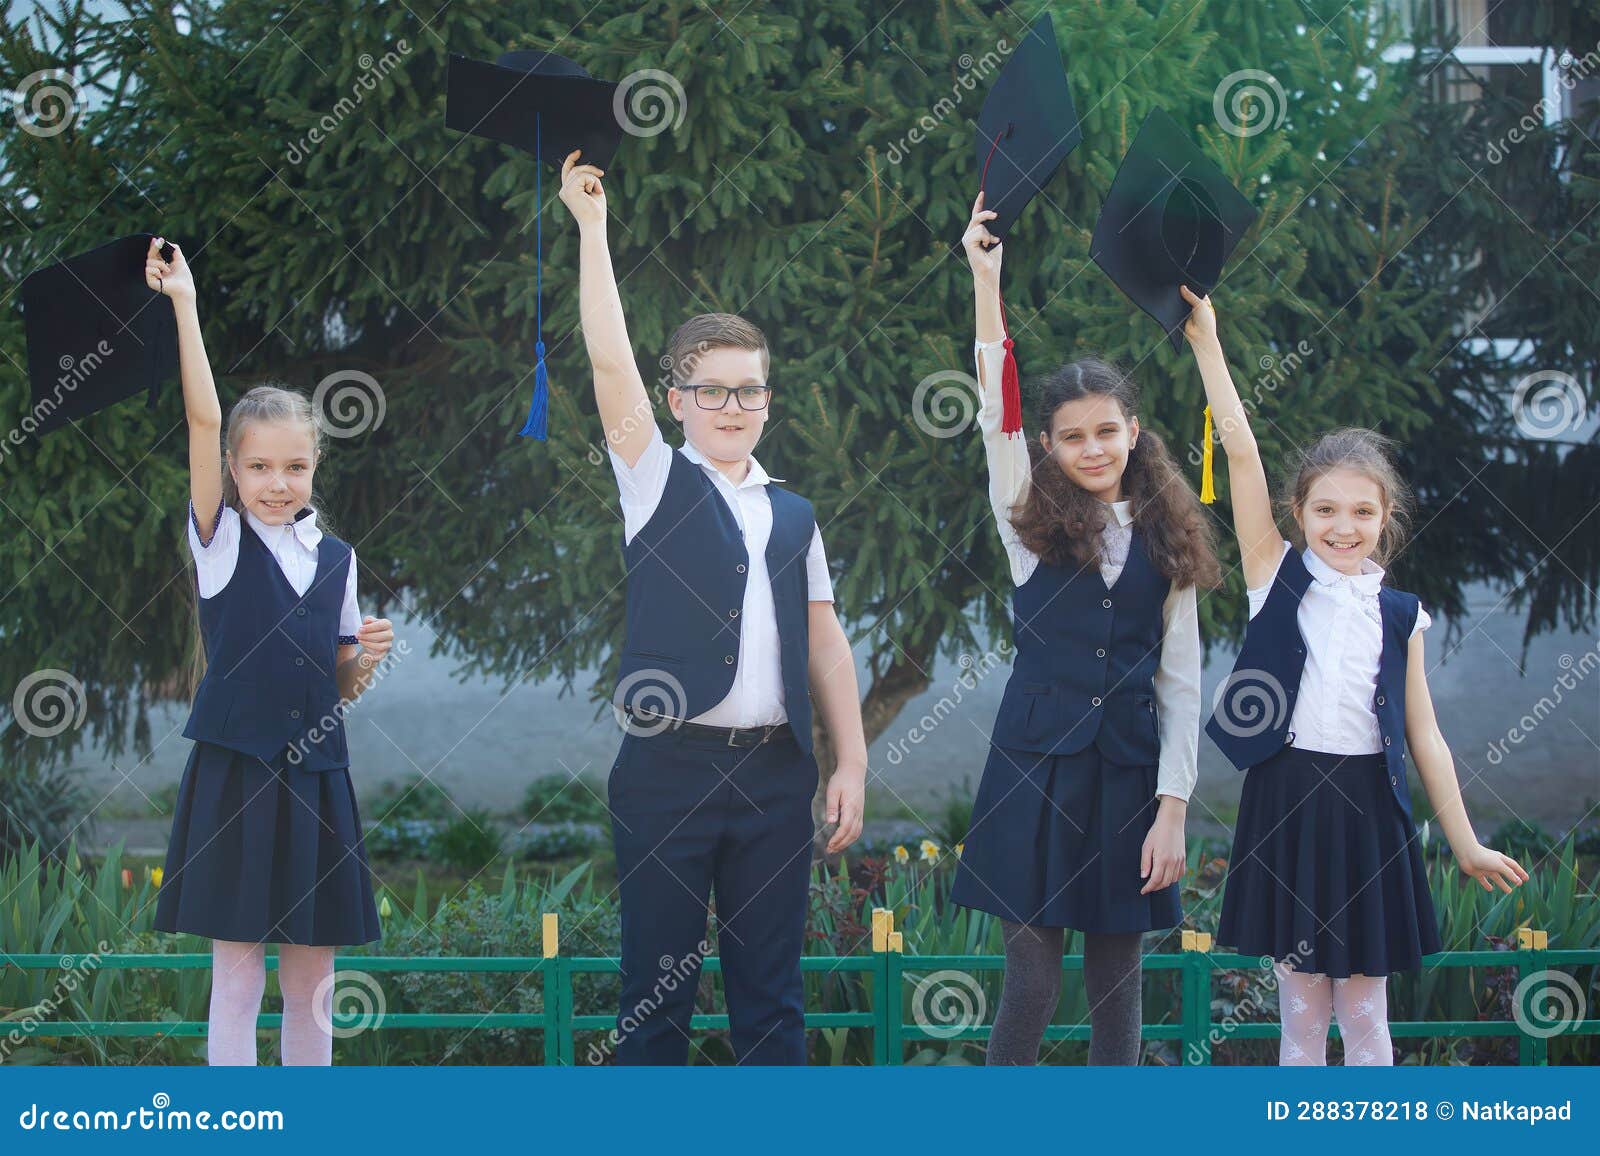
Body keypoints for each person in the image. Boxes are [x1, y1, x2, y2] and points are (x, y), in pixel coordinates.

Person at [557, 150, 868, 1065]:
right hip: (667, 774)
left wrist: (849, 762)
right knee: (656, 998)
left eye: (750, 389)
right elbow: (607, 356)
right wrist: (593, 228)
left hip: (775, 778)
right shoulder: (653, 482)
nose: (733, 404)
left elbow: (827, 646)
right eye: (712, 389)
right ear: (677, 400)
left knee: (771, 1003)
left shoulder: (795, 511)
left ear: (769, 400)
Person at [1185, 283, 1529, 1065]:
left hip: (1372, 811)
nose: (1344, 527)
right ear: (1299, 513)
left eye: (1363, 513)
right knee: (1302, 1014)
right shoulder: (1274, 575)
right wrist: (1207, 339)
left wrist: (1466, 842)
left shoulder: (1401, 612)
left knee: (1366, 1012)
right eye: (1326, 510)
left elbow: (1425, 734)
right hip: (1288, 803)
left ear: (1386, 520)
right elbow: (1238, 447)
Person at [950, 193, 1221, 1065]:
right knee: (1030, 982)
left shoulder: (1170, 538)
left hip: (1131, 785)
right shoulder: (1024, 516)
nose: (1094, 447)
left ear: (1135, 432)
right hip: (1033, 775)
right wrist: (986, 284)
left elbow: (1182, 682)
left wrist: (1173, 813)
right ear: (1051, 447)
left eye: (1109, 430)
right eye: (1074, 437)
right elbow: (996, 406)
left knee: (1118, 986)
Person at [147, 236, 394, 1065]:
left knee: (314, 979)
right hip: (237, 774)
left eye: (294, 465)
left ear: (316, 464)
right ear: (232, 469)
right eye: (258, 467)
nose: (277, 482)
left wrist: (364, 658)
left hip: (319, 778)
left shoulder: (339, 559)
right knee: (239, 974)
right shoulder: (218, 540)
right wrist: (184, 303)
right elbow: (204, 415)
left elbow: (340, 684)